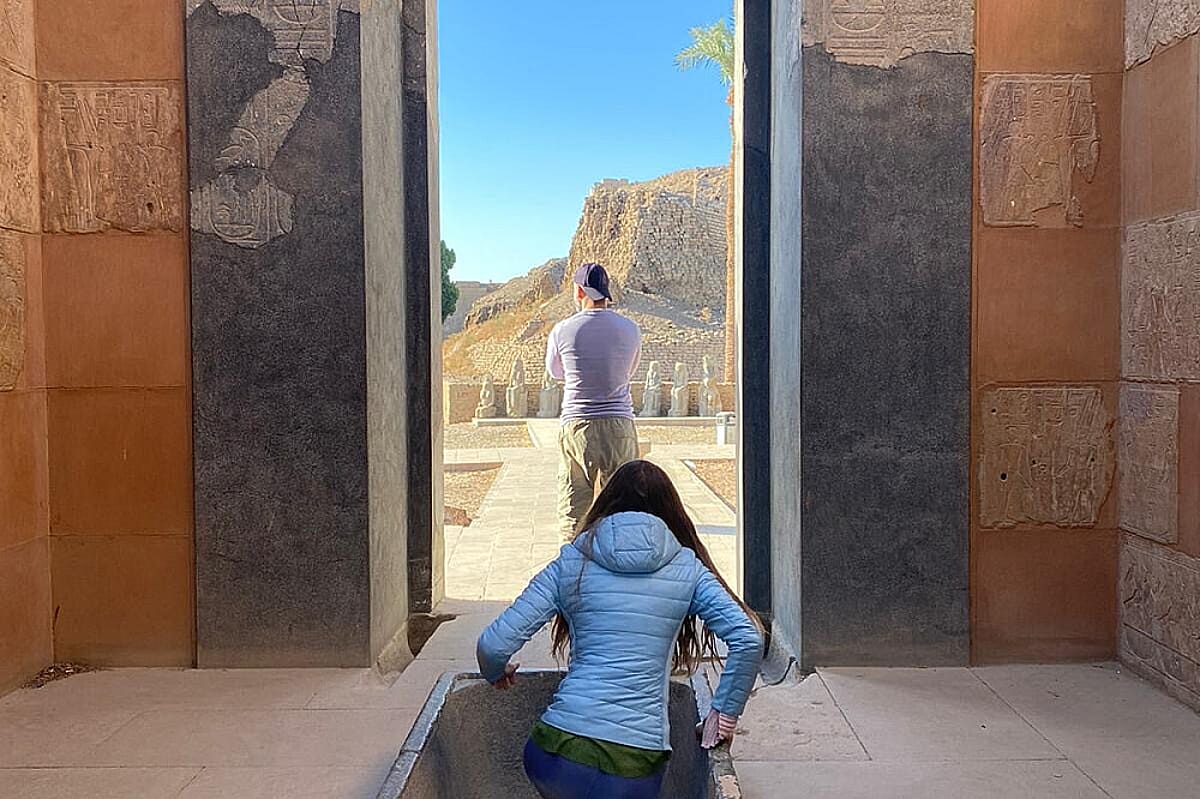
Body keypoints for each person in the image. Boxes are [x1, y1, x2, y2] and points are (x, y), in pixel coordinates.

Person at [476, 460, 763, 799]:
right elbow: (748, 637)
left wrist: (497, 672)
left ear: (606, 503)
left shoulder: (572, 561)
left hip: (552, 752)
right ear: (671, 513)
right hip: (633, 764)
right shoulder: (688, 569)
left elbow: (493, 645)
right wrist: (724, 714)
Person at [546, 263, 643, 541]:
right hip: (619, 424)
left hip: (577, 424)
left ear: (579, 291)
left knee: (575, 510)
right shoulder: (630, 329)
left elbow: (555, 371)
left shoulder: (563, 330)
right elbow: (629, 372)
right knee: (622, 509)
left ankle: (575, 574)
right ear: (606, 293)